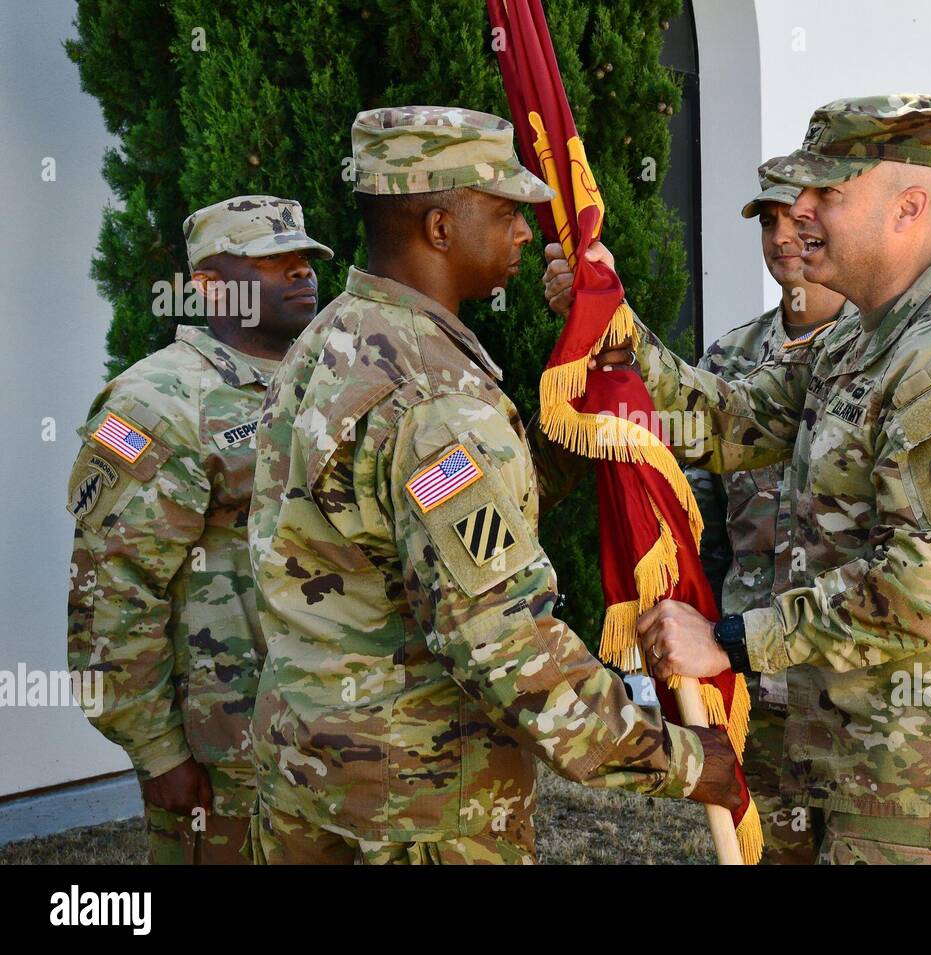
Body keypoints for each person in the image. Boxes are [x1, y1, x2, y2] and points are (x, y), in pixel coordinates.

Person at [546, 95, 931, 864]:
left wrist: (728, 640)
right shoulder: (861, 338)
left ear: (909, 207)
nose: (801, 212)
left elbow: (914, 595)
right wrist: (613, 331)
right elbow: (724, 421)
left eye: (829, 192)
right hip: (847, 757)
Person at [247, 106, 739, 865]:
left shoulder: (333, 339)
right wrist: (682, 756)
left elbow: (410, 521)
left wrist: (586, 422)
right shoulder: (437, 397)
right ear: (439, 227)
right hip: (422, 812)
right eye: (506, 211)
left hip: (309, 779)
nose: (524, 233)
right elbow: (505, 646)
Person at [66, 195, 333, 864]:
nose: (301, 274)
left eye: (305, 260)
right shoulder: (157, 402)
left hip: (335, 744)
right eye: (274, 262)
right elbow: (113, 587)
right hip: (227, 760)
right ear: (211, 287)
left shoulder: (328, 386)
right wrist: (157, 752)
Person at [687, 159, 854, 864]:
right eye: (770, 221)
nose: (783, 236)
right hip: (755, 679)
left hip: (851, 678)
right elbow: (696, 518)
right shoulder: (728, 359)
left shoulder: (877, 353)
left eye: (797, 218)